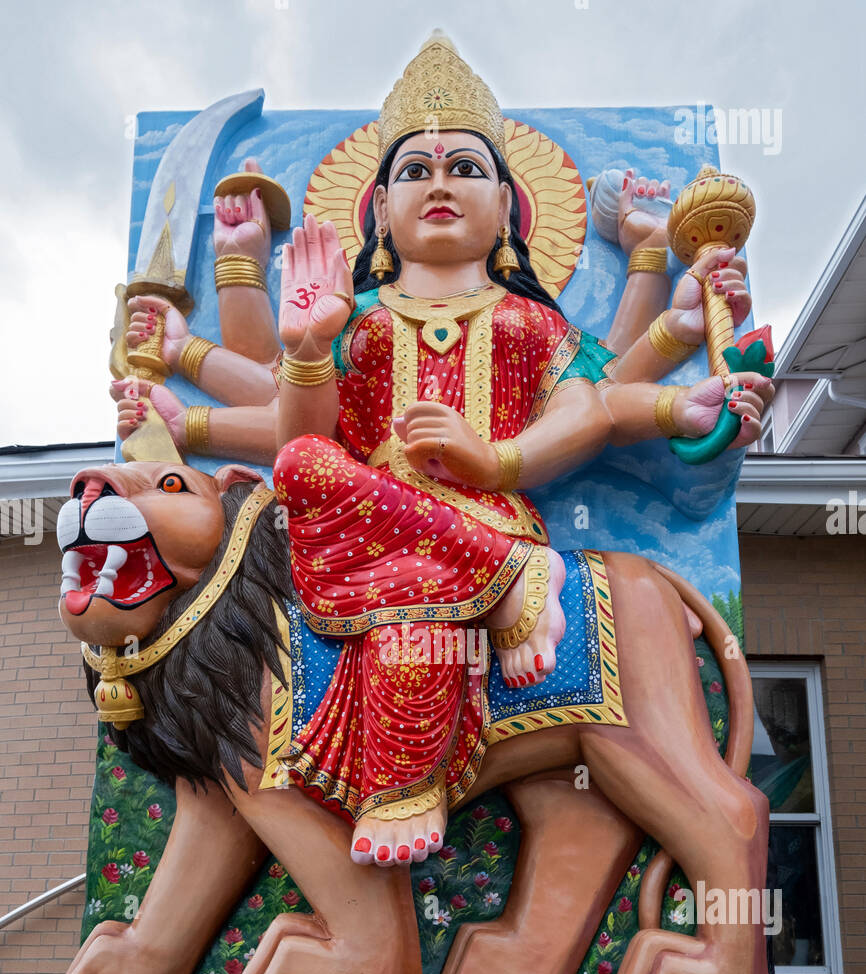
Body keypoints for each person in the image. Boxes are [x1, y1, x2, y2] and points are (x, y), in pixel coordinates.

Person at [115, 34, 770, 868]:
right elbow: (307, 440)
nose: (439, 184)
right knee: (302, 469)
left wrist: (516, 455)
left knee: (413, 602)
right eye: (414, 173)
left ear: (507, 205)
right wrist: (311, 343)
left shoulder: (527, 320)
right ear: (379, 210)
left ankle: (408, 772)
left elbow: (591, 408)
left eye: (464, 167)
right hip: (368, 528)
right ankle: (495, 581)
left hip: (483, 518)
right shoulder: (361, 318)